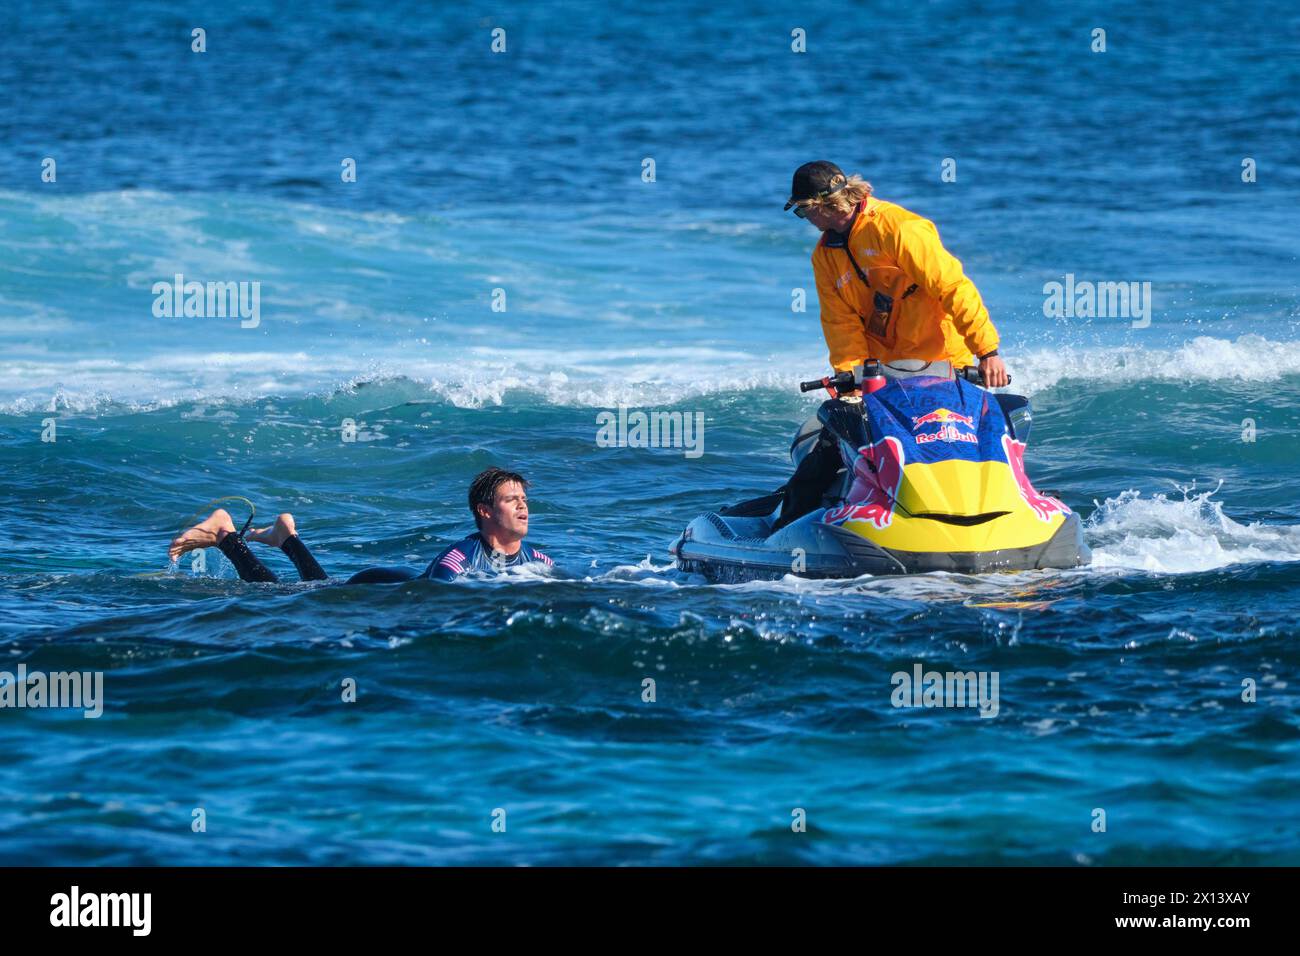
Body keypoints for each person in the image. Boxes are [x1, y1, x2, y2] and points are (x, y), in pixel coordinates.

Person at [774, 161, 1009, 529]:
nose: (804, 219)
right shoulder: (825, 256)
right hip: (882, 381)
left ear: (822, 204)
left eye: (802, 210)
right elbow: (840, 321)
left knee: (965, 440)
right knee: (834, 441)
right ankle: (787, 528)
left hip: (944, 369)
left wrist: (987, 352)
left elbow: (952, 288)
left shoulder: (898, 228)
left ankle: (999, 509)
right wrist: (850, 378)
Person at [167, 467, 552, 584]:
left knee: (315, 587)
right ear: (485, 512)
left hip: (398, 580)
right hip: (376, 586)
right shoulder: (457, 558)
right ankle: (225, 534)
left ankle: (287, 537)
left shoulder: (539, 560)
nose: (522, 506)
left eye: (524, 500)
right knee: (286, 596)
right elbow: (435, 595)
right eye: (510, 499)